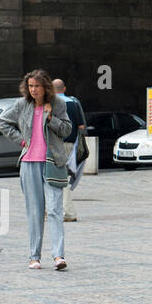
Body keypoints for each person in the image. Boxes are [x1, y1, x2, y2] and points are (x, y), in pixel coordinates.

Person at [0, 70, 74, 271]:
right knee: (35, 212)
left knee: (56, 210)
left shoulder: (58, 104)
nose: (33, 90)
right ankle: (34, 257)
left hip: (52, 163)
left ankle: (58, 256)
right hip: (29, 163)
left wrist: (51, 119)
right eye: (30, 86)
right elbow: (3, 122)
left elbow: (67, 130)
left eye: (37, 86)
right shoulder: (22, 105)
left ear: (45, 87)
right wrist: (21, 140)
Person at [52, 79, 86, 223]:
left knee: (55, 177)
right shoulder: (73, 103)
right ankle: (54, 209)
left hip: (56, 144)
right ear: (64, 88)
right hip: (70, 144)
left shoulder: (52, 103)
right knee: (59, 176)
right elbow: (81, 127)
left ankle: (67, 211)